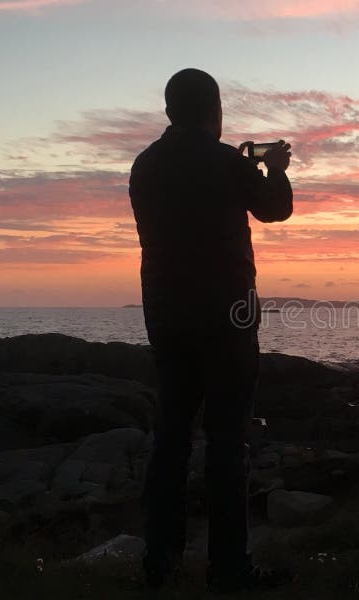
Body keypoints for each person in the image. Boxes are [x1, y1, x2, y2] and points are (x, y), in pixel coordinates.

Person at [129, 68, 292, 592]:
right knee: (226, 442)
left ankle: (160, 562)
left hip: (166, 317)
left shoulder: (145, 165)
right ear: (212, 109)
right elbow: (276, 210)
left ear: (171, 110)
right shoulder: (226, 163)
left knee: (171, 438)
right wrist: (276, 170)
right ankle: (228, 569)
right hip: (228, 319)